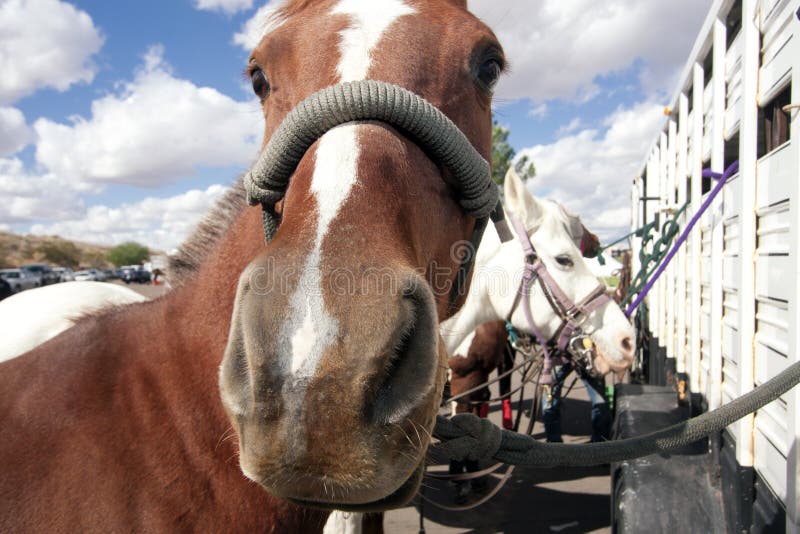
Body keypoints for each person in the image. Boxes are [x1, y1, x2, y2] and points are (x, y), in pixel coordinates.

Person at [541, 362, 611, 443]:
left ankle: (553, 443)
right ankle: (601, 443)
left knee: (549, 400)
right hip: (579, 356)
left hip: (570, 356)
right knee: (599, 400)